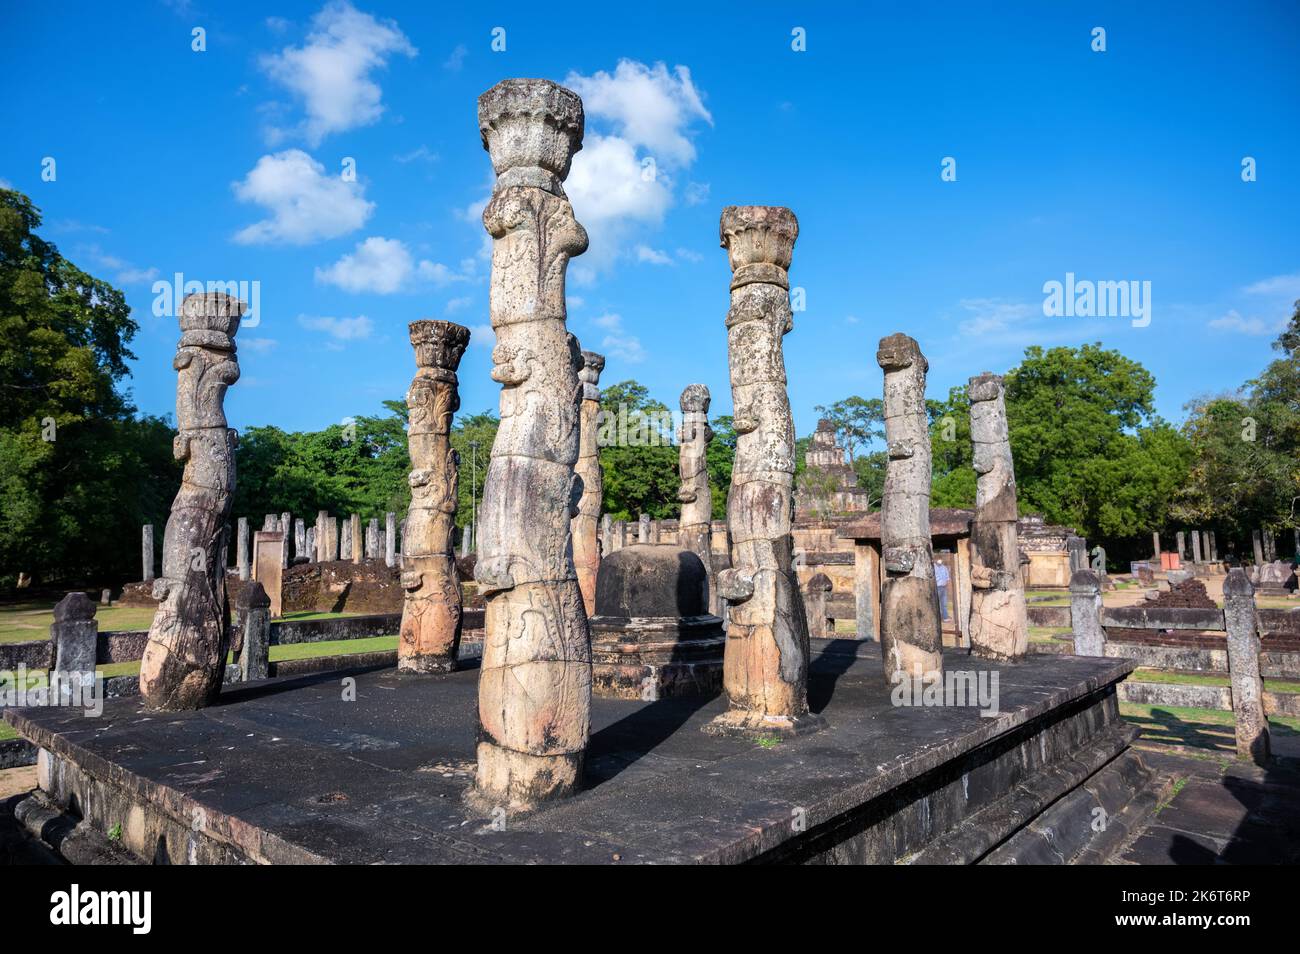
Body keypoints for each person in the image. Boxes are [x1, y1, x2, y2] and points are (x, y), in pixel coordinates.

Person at [934, 557, 951, 621]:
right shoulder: (933, 567)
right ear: (935, 560)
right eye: (938, 559)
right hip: (937, 588)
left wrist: (947, 584)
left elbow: (947, 577)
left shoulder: (944, 567)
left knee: (944, 604)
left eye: (941, 559)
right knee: (937, 604)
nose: (940, 560)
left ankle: (945, 617)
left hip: (944, 588)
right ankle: (937, 618)